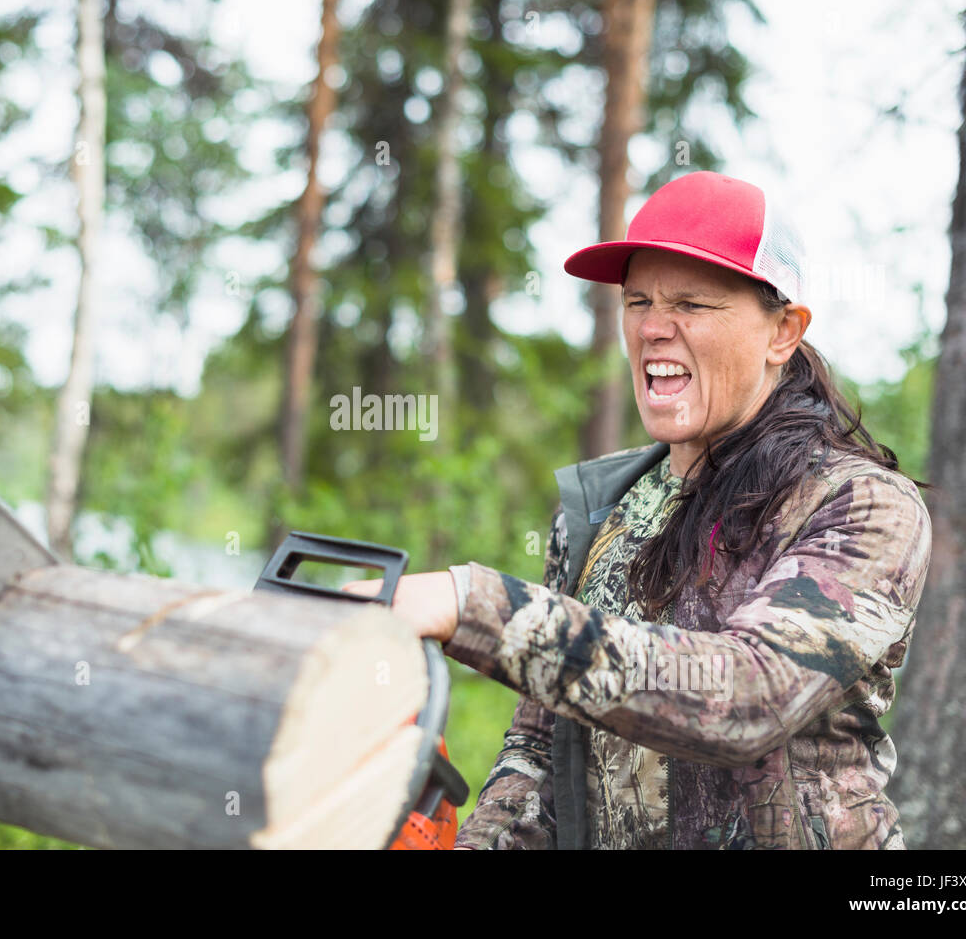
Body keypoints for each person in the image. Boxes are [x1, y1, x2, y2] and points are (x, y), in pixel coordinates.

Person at [344, 170, 932, 849]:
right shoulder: (598, 510)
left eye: (693, 304)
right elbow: (540, 746)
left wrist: (469, 603)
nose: (654, 328)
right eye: (638, 301)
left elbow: (750, 697)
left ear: (783, 332)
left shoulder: (863, 507)